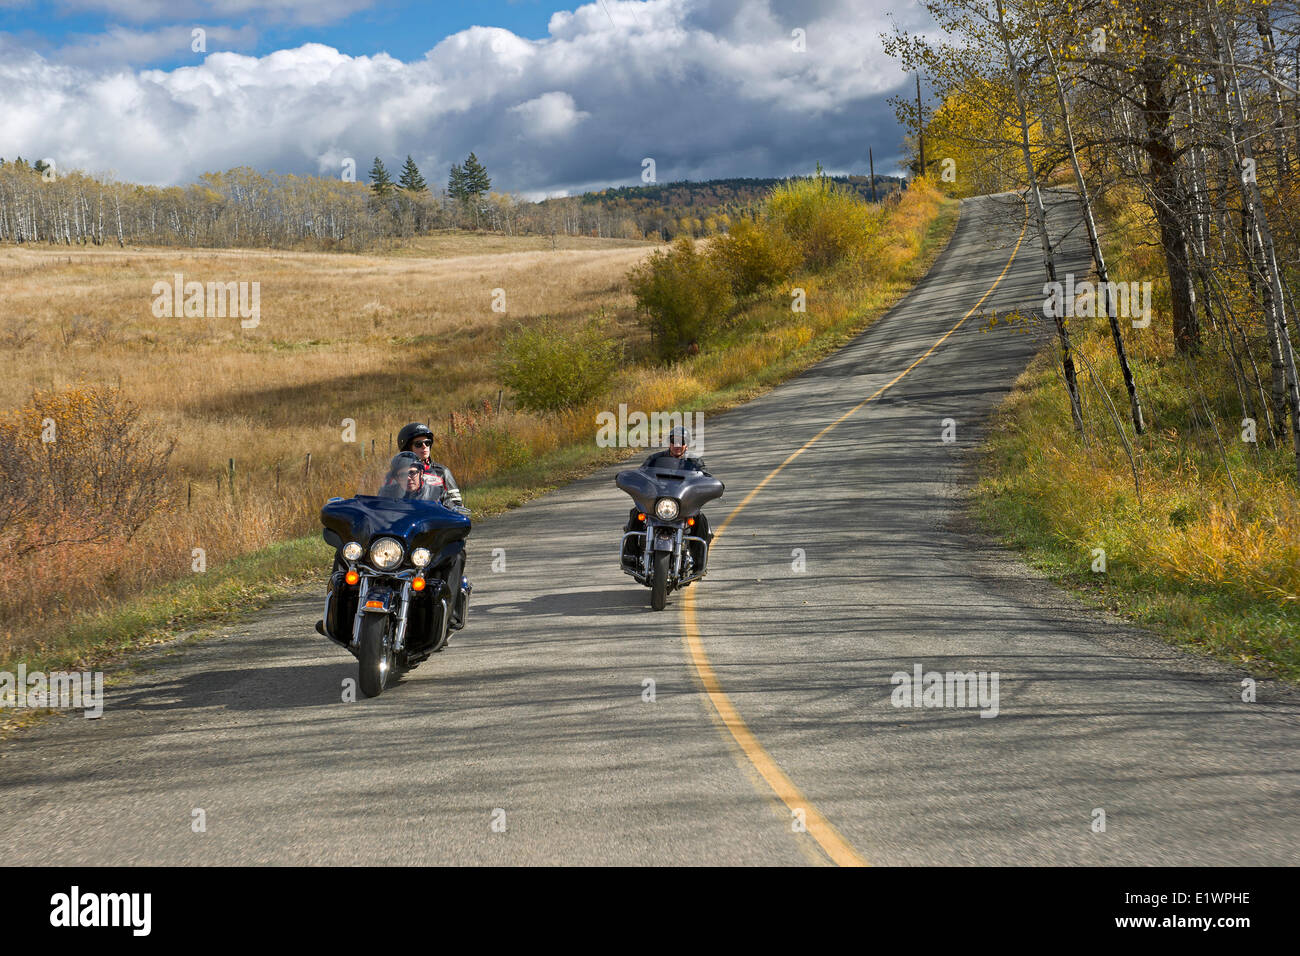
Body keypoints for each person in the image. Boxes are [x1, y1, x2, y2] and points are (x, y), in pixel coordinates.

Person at [622, 425, 713, 571]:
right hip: (657, 504)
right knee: (636, 513)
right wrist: (632, 480)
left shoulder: (695, 463)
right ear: (669, 442)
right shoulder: (655, 459)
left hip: (683, 506)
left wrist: (708, 486)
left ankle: (698, 560)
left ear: (686, 444)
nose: (677, 445)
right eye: (673, 441)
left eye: (681, 441)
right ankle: (630, 554)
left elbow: (706, 478)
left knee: (700, 520)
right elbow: (641, 475)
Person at [396, 422, 464, 509]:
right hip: (408, 520)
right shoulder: (398, 473)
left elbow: (457, 504)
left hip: (436, 520)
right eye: (418, 444)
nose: (424, 446)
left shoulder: (442, 472)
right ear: (408, 448)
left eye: (427, 443)